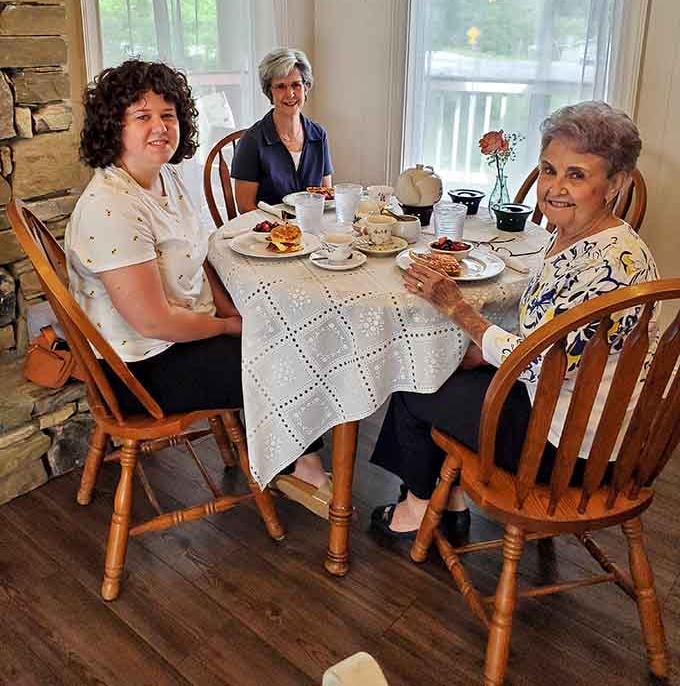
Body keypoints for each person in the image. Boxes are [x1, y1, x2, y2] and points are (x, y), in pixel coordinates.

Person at [370, 101, 658, 541]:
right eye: (548, 169)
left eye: (576, 175)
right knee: (447, 368)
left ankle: (418, 509)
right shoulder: (587, 239)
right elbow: (549, 342)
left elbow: (542, 364)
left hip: (571, 451)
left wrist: (458, 310)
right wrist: (481, 355)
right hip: (581, 421)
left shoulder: (609, 266)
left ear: (615, 183)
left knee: (416, 383)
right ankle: (450, 501)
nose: (554, 187)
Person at [66, 59, 326, 499]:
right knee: (288, 357)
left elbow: (201, 257)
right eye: (142, 116)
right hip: (140, 369)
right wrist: (228, 326)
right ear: (114, 126)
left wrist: (230, 311)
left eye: (168, 115)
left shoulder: (163, 176)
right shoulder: (110, 207)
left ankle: (292, 457)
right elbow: (154, 323)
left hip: (179, 338)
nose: (160, 127)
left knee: (286, 330)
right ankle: (302, 466)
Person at [231, 47, 333, 212]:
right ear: (269, 92)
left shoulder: (318, 135)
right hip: (270, 232)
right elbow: (245, 207)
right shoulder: (251, 141)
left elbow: (326, 197)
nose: (290, 93)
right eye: (280, 86)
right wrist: (283, 230)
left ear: (306, 87)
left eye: (296, 85)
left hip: (311, 227)